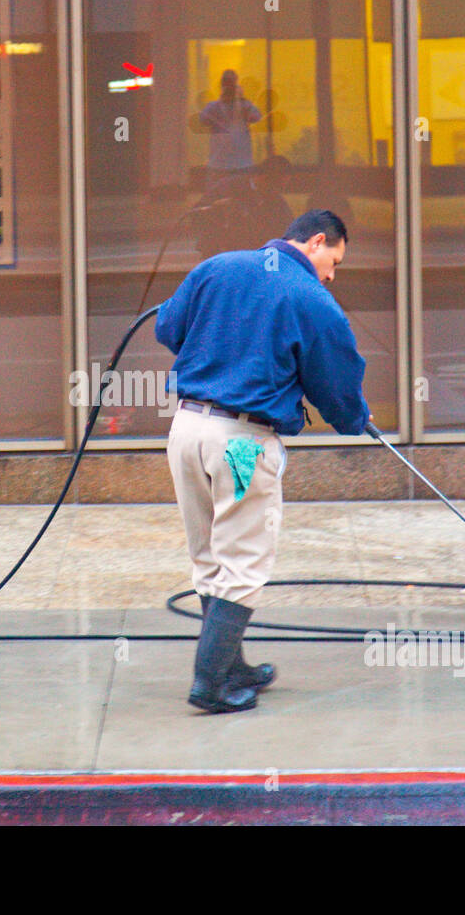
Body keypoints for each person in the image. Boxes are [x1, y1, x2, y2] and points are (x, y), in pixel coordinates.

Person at [156, 209, 370, 714]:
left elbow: (168, 327)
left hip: (185, 429)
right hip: (243, 442)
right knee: (244, 561)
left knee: (209, 554)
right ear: (317, 241)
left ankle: (232, 666)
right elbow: (336, 384)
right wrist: (355, 418)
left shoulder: (217, 267)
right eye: (333, 261)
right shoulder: (312, 300)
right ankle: (210, 683)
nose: (331, 274)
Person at [196, 69, 262, 185]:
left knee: (226, 193)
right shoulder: (214, 106)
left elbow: (256, 117)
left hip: (236, 162)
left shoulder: (244, 105)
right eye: (227, 84)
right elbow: (203, 120)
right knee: (220, 193)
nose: (229, 88)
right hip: (225, 162)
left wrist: (242, 101)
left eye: (230, 84)